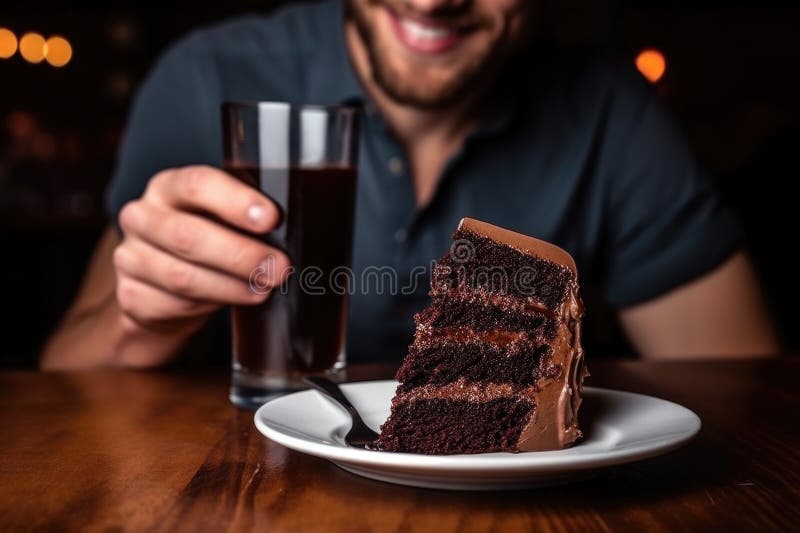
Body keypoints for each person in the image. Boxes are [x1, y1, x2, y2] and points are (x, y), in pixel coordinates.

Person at [41, 0, 778, 369]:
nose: (430, 1)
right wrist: (138, 325)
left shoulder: (609, 111)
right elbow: (63, 374)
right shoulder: (209, 80)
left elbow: (745, 401)